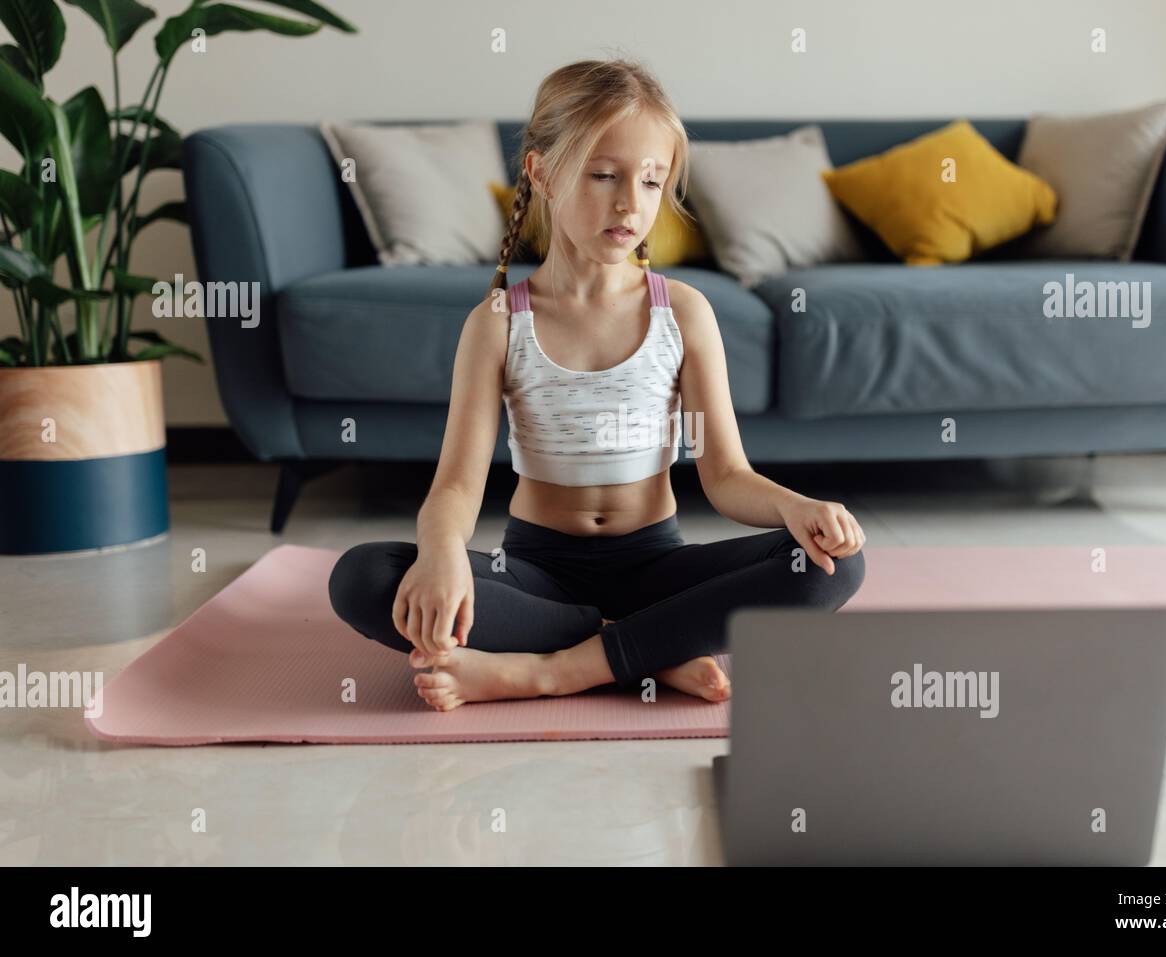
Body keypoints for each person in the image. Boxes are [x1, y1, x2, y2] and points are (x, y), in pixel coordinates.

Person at [328, 57, 865, 711]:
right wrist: (442, 552)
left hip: (656, 570)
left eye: (650, 180)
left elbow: (726, 475)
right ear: (542, 172)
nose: (629, 202)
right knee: (362, 577)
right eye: (603, 174)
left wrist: (795, 507)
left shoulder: (684, 312)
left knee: (830, 566)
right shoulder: (498, 322)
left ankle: (549, 670)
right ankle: (645, 650)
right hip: (535, 575)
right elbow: (458, 485)